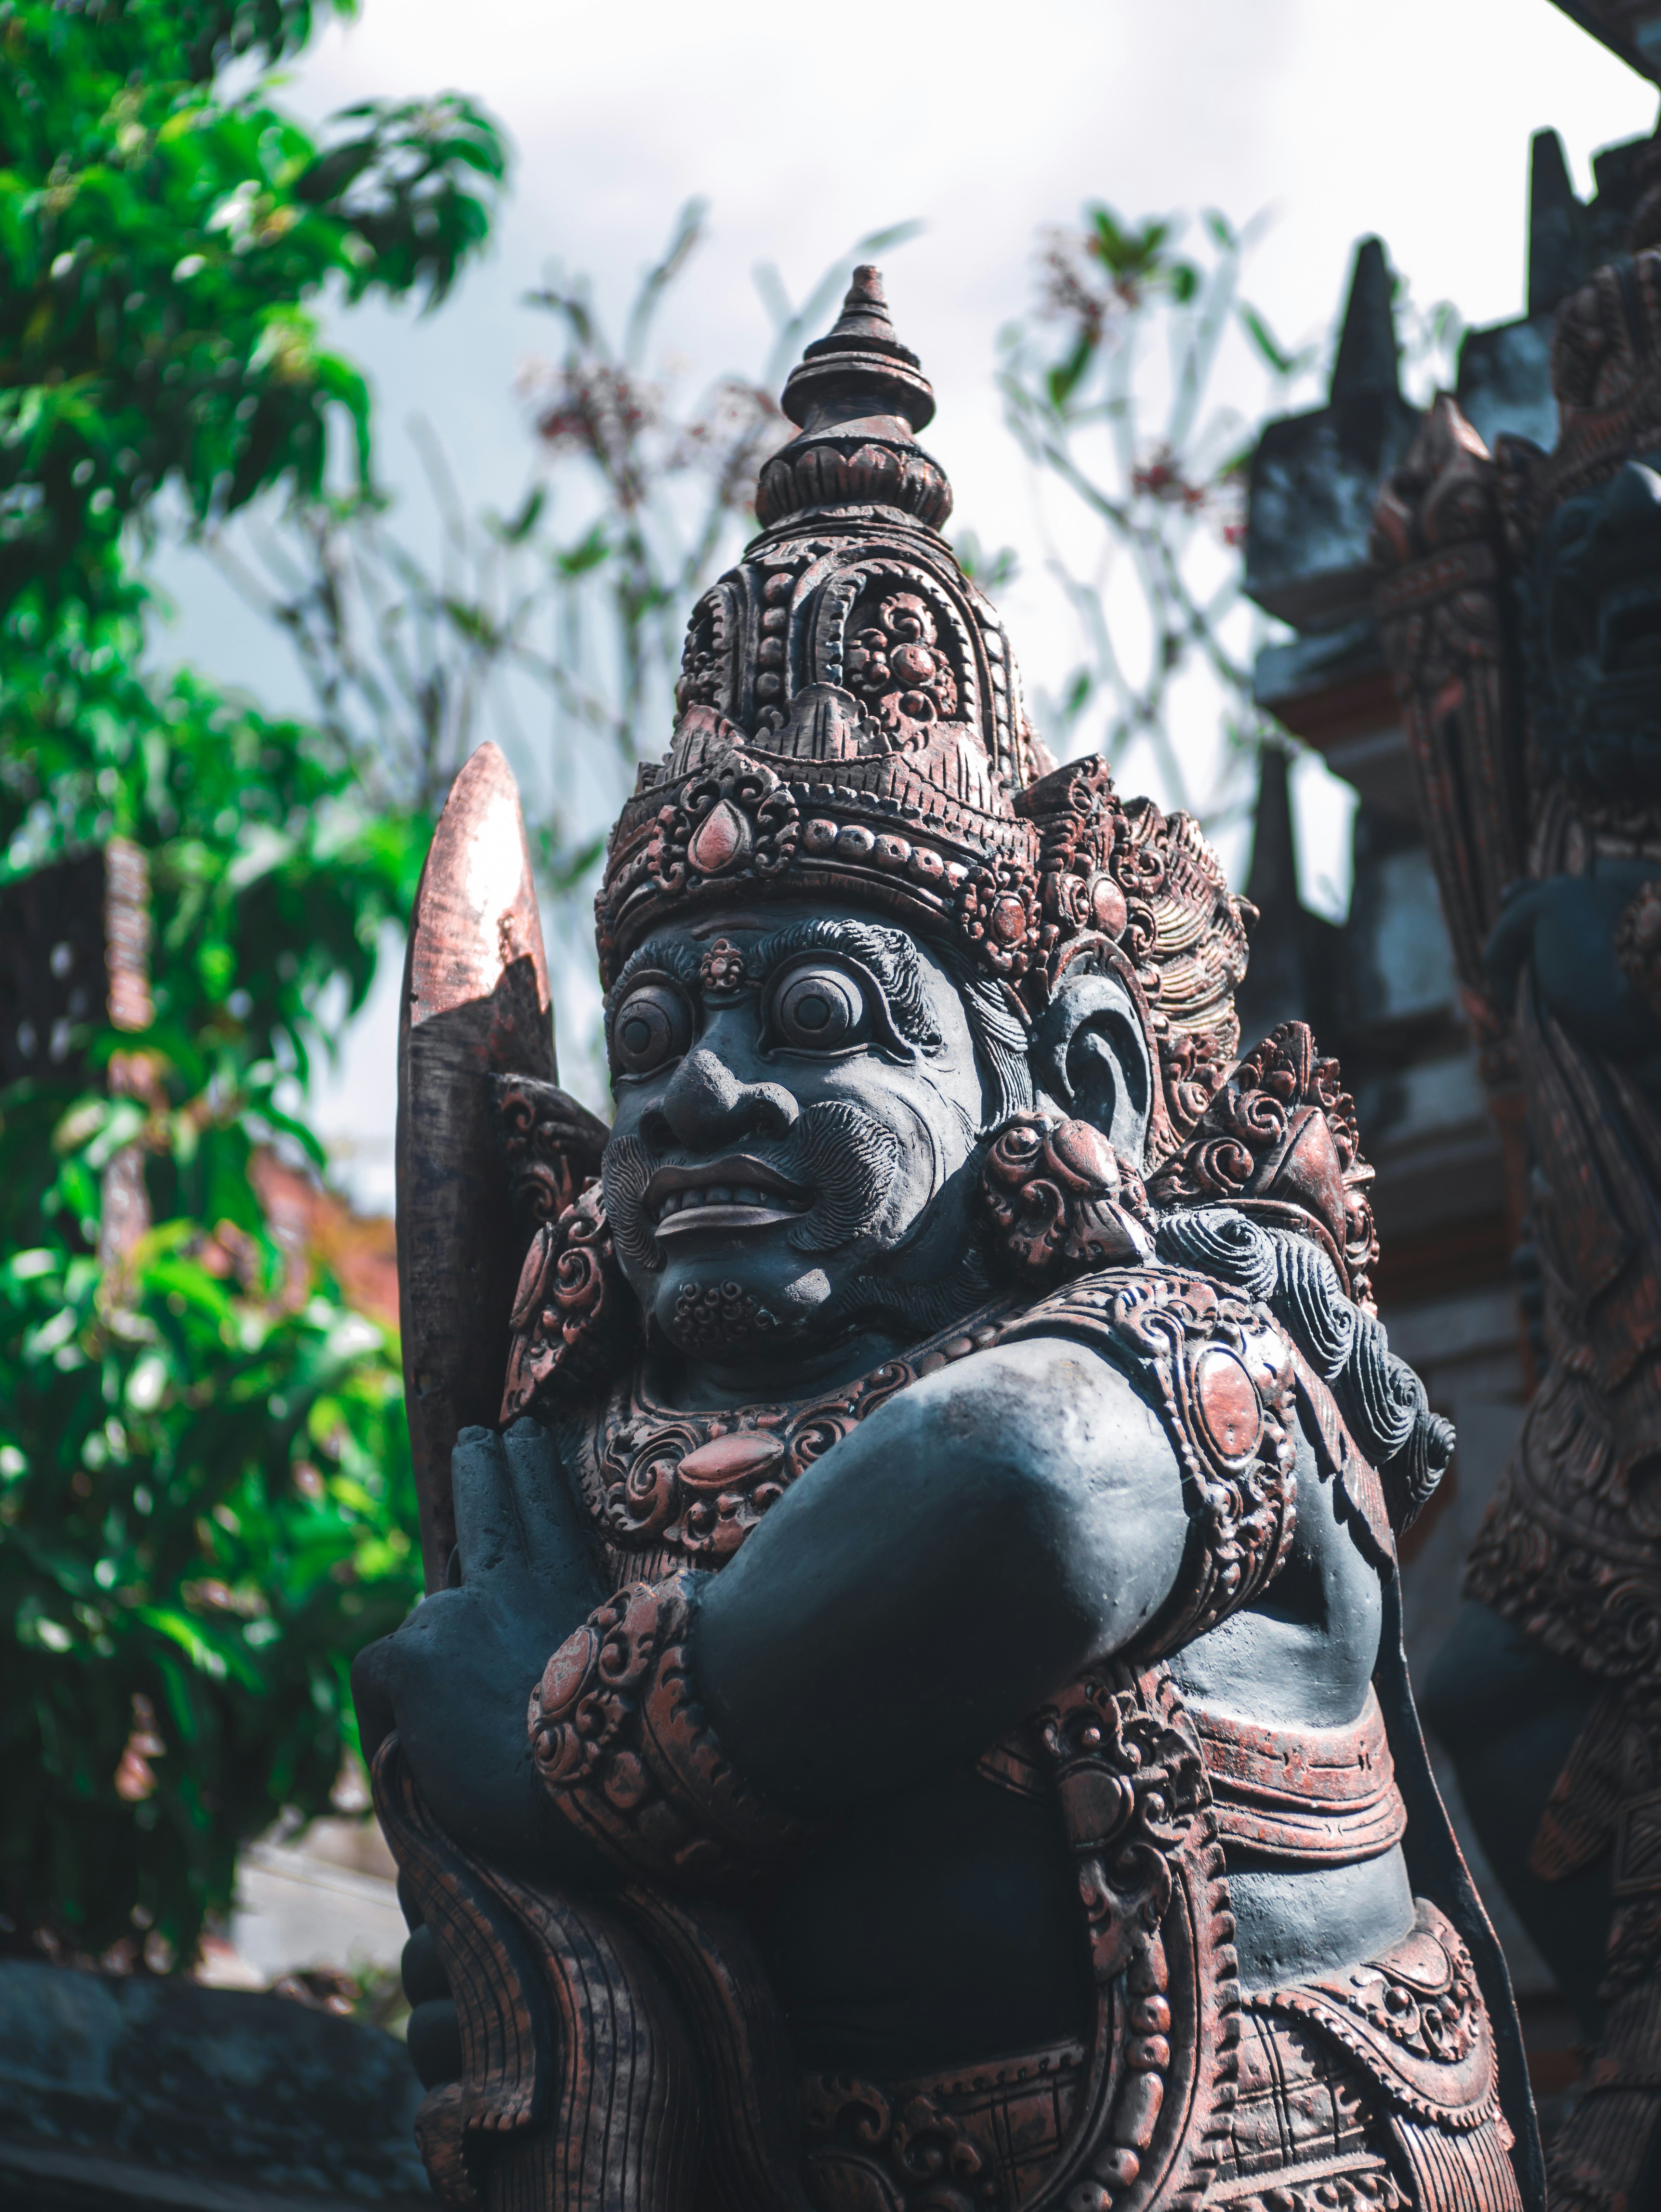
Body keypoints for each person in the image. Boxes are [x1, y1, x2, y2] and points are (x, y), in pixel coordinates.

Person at [355, 270, 1540, 2212]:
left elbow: (1024, 1496)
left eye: (818, 1019)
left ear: (1063, 1071)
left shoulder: (1175, 1363)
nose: (700, 1090)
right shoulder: (601, 1484)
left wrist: (569, 1761)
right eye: (650, 1036)